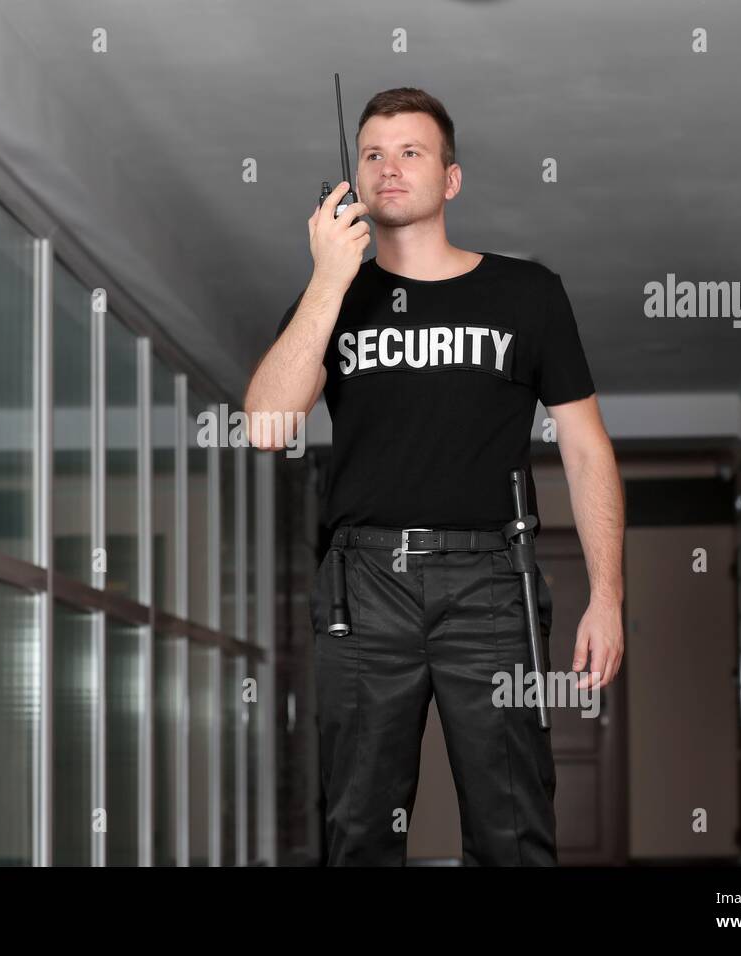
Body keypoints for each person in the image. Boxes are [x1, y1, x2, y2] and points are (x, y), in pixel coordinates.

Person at [244, 87, 625, 865]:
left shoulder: (527, 294)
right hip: (363, 585)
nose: (389, 168)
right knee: (357, 829)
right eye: (373, 154)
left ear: (451, 179)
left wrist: (608, 595)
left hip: (491, 582)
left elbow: (587, 449)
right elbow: (265, 427)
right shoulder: (332, 299)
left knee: (512, 825)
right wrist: (327, 279)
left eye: (411, 151)